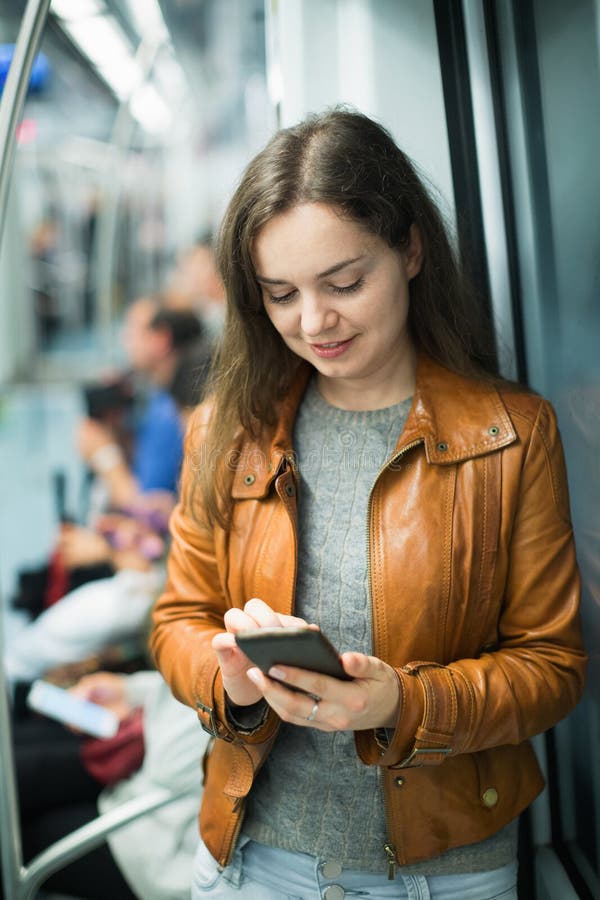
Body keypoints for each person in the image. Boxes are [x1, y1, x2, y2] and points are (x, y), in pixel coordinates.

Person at [149, 109, 587, 900]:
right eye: (279, 295)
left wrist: (404, 703)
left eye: (345, 283)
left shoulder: (513, 435)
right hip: (255, 858)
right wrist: (232, 686)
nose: (314, 323)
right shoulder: (226, 428)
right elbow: (179, 620)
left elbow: (552, 667)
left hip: (448, 872)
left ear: (411, 250)